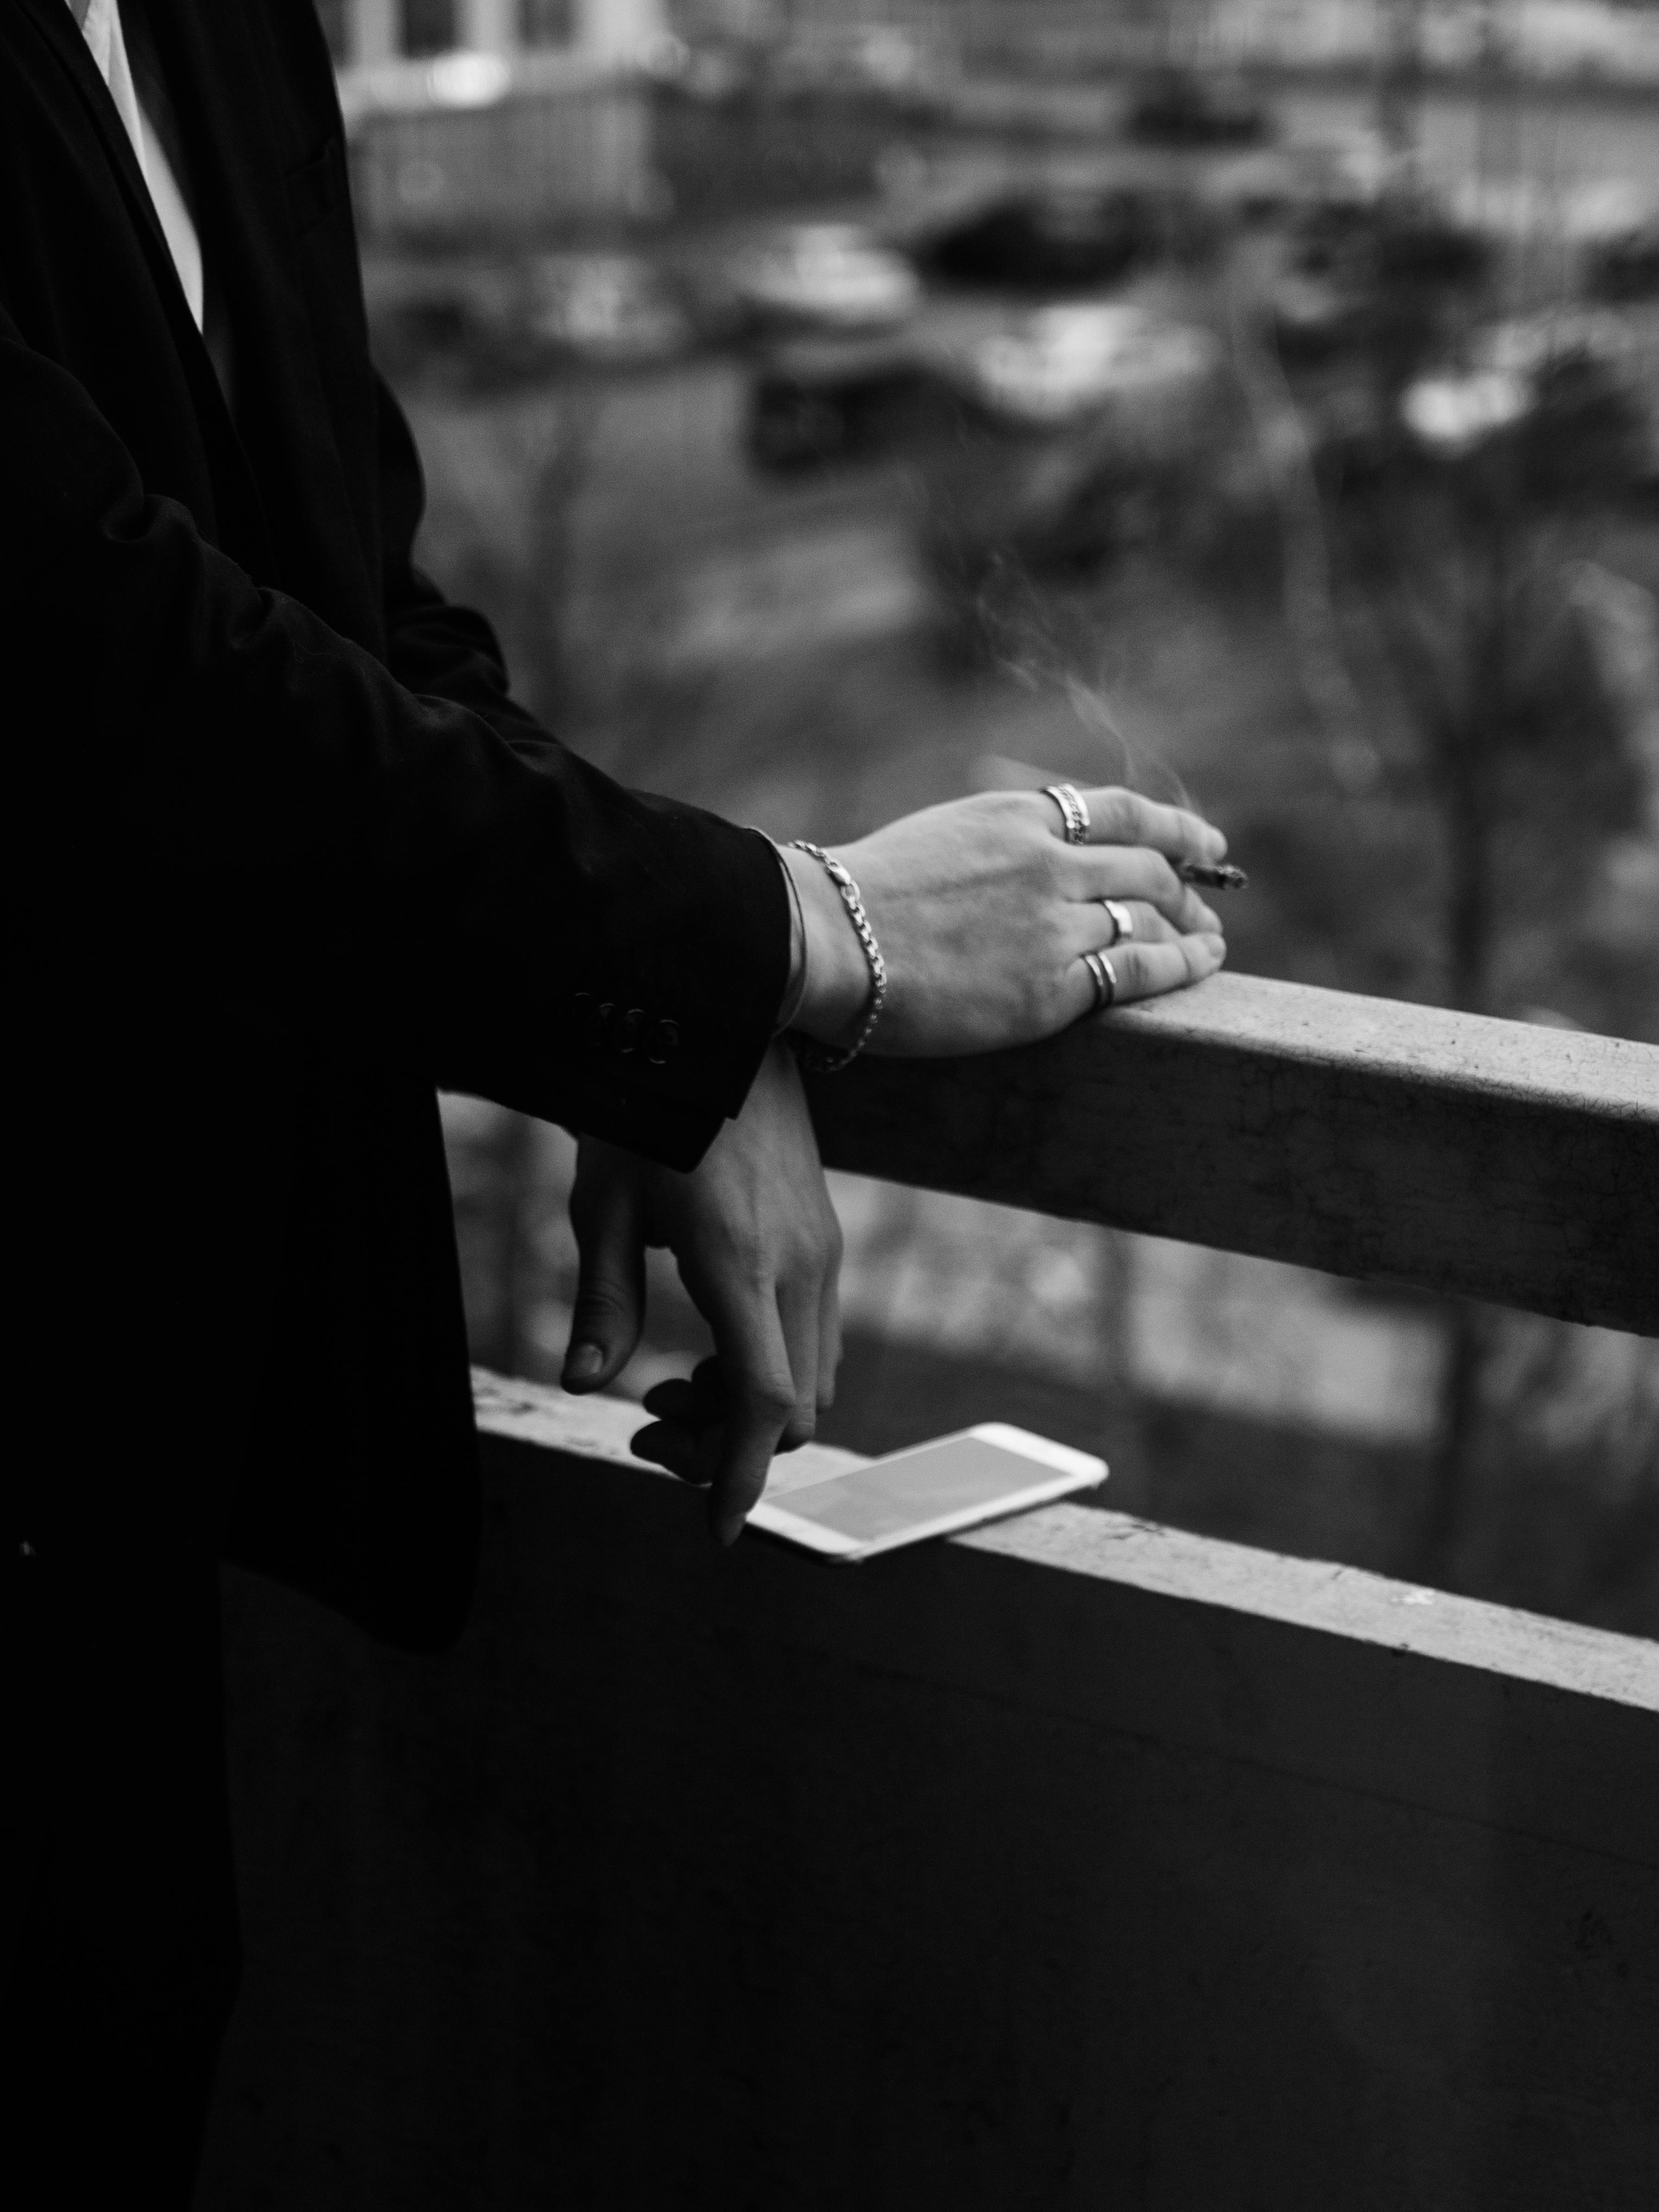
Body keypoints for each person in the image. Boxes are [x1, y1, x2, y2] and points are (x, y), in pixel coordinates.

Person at [0, 1, 1230, 2199]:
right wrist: (782, 938)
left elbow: (347, 608)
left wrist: (671, 1011)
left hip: (105, 1491)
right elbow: (95, 671)